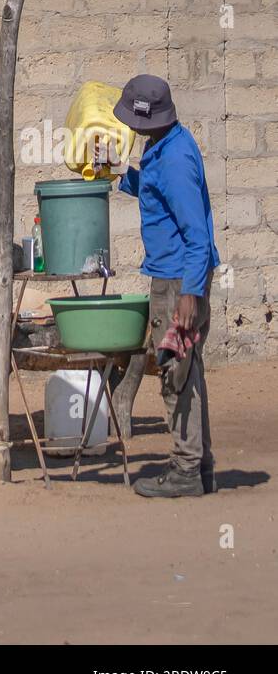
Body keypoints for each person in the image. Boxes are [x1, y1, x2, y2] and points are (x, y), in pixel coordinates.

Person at [111, 74, 220, 497]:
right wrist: (123, 176)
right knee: (188, 373)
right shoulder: (166, 145)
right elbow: (156, 193)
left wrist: (189, 295)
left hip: (178, 285)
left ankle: (185, 471)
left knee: (175, 374)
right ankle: (199, 466)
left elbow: (196, 234)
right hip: (178, 279)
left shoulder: (173, 160)